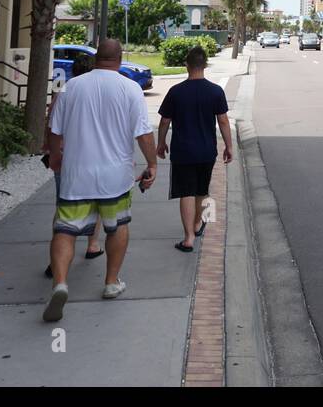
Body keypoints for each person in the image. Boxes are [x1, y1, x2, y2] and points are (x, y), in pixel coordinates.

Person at [43, 39, 157, 322]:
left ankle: (60, 283)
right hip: (114, 176)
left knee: (65, 230)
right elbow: (143, 134)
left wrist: (56, 157)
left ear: (96, 59)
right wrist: (152, 163)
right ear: (120, 59)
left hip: (76, 173)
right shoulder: (131, 88)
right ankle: (111, 281)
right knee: (117, 227)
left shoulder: (71, 86)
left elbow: (54, 130)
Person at [157, 46, 233, 252]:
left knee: (186, 192)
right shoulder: (216, 91)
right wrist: (229, 146)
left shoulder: (176, 91)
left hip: (183, 151)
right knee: (203, 189)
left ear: (187, 65)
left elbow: (164, 121)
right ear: (205, 65)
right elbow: (224, 122)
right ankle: (200, 223)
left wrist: (161, 142)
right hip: (207, 150)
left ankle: (188, 238)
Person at [42, 53, 102, 278]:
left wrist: (50, 150)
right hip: (92, 155)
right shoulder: (97, 92)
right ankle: (93, 244)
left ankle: (55, 261)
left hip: (66, 155)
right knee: (95, 201)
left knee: (63, 205)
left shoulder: (63, 90)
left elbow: (52, 123)